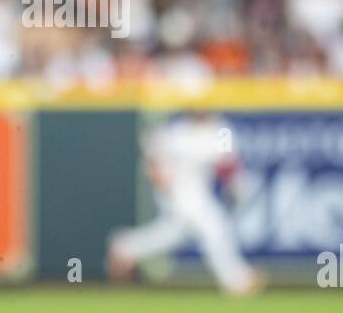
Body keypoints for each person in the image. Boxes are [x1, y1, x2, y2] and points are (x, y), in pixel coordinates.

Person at [107, 111, 265, 296]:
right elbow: (150, 149)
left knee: (173, 234)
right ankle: (236, 281)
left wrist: (235, 185)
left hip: (198, 190)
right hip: (179, 192)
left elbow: (227, 163)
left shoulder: (221, 131)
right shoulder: (177, 132)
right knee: (214, 228)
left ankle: (125, 247)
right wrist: (158, 175)